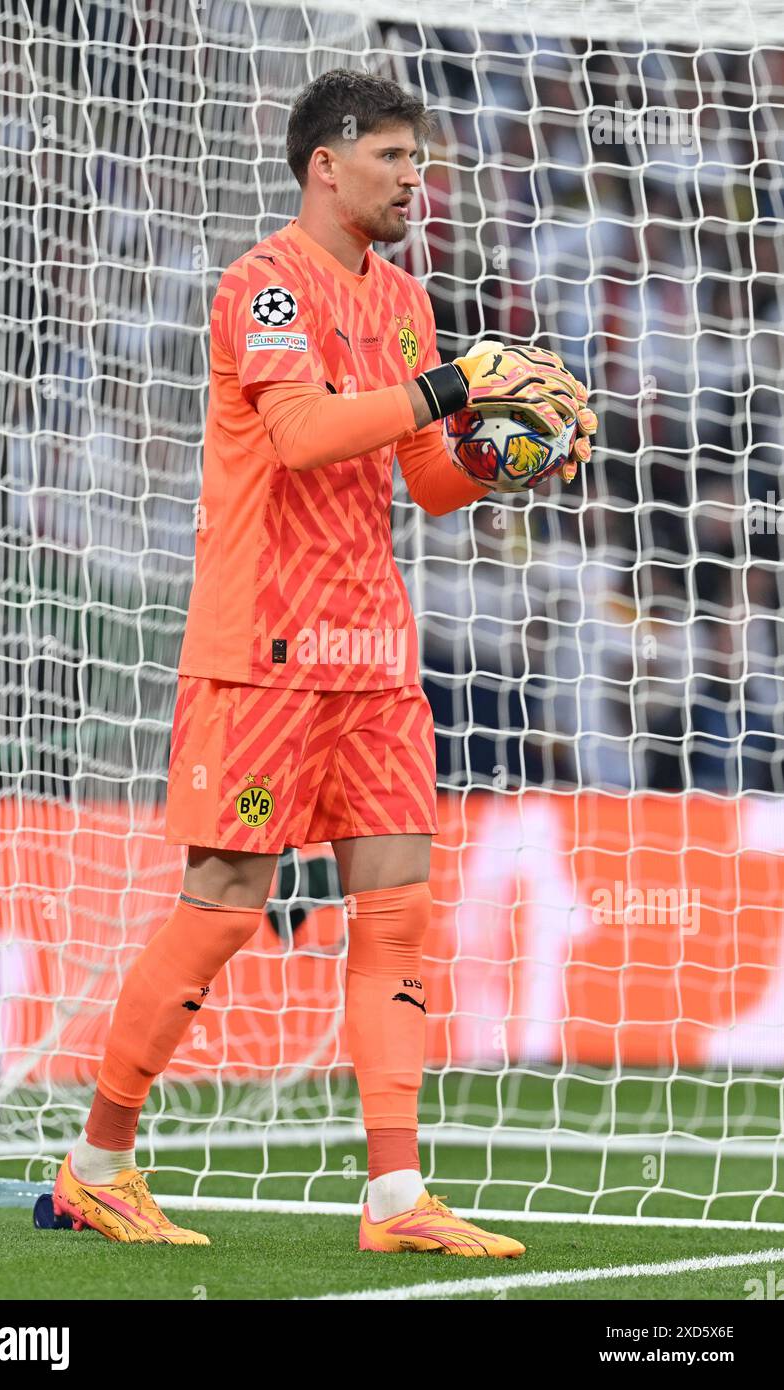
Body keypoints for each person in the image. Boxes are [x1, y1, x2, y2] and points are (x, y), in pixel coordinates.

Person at [53, 67, 595, 1253]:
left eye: (419, 159)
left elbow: (427, 481)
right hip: (260, 647)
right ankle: (97, 1160)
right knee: (223, 907)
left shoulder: (401, 299)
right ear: (326, 165)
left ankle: (395, 1199)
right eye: (395, 158)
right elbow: (299, 437)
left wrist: (516, 454)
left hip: (371, 652)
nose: (416, 179)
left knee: (395, 914)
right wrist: (464, 381)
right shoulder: (261, 290)